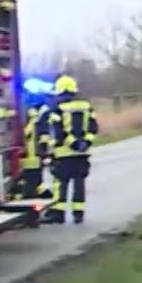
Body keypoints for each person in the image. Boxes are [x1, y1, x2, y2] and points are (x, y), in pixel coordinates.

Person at [48, 75, 99, 224]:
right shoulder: (86, 106)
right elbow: (93, 127)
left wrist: (73, 143)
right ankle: (78, 214)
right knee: (79, 183)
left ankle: (59, 213)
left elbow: (59, 132)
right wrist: (85, 143)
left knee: (61, 183)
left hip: (64, 153)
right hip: (82, 154)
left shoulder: (57, 109)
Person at [14, 90, 57, 204]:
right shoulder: (42, 112)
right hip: (33, 154)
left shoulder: (30, 111)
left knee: (30, 180)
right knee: (34, 180)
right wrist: (45, 149)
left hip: (28, 153)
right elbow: (44, 132)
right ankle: (44, 196)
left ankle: (34, 196)